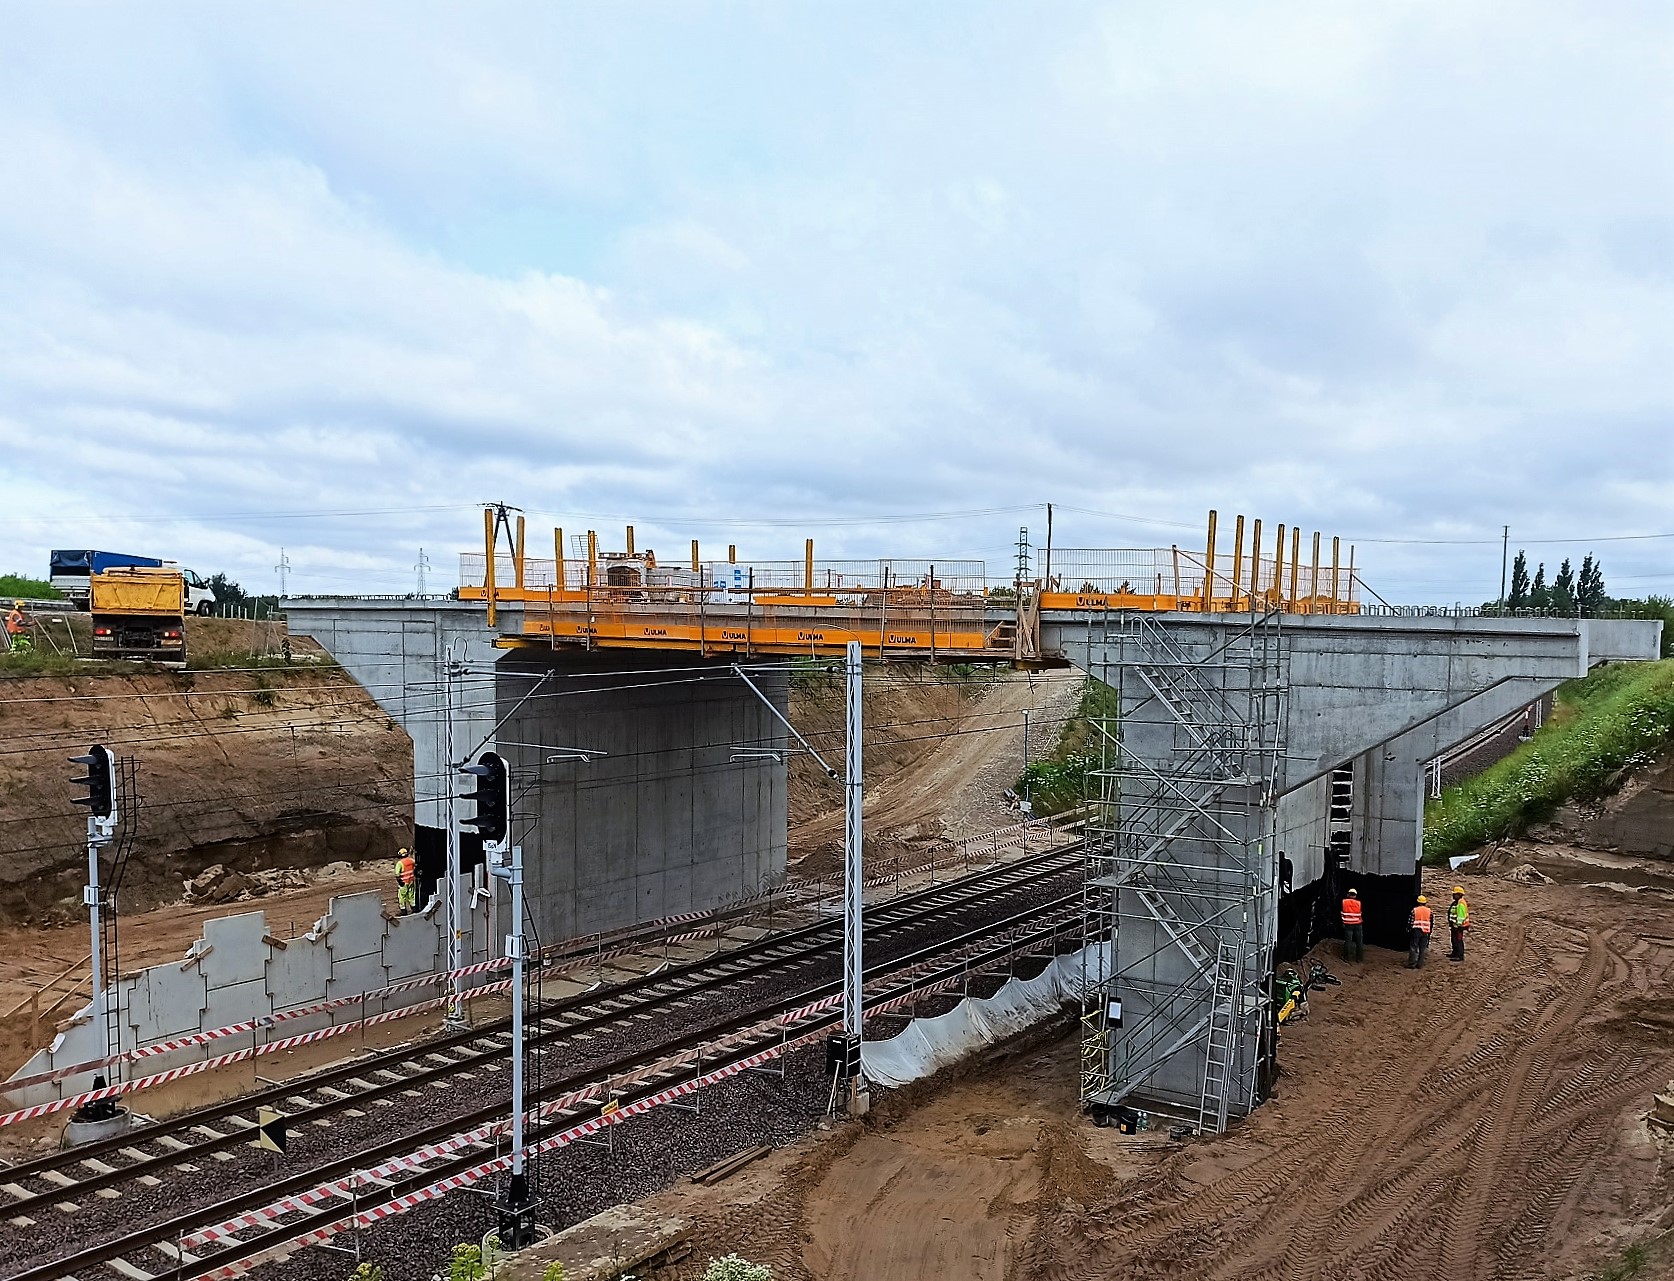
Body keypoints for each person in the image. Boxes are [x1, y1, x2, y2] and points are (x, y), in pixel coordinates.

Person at [1407, 894, 1434, 969]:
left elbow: (1410, 922)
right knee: (1423, 948)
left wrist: (1408, 929)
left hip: (1416, 930)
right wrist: (1430, 930)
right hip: (1426, 931)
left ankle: (1412, 964)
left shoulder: (1414, 910)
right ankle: (1420, 964)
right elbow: (1431, 922)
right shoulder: (1429, 911)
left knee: (1414, 947)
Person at [1341, 887, 1364, 962]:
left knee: (1348, 941)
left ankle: (1347, 958)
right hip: (1358, 924)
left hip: (1348, 925)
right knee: (1359, 941)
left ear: (1348, 894)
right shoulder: (1359, 903)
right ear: (1355, 895)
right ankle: (1359, 958)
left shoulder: (1344, 902)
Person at [1448, 886, 1471, 962]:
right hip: (1455, 925)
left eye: (1454, 894)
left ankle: (1459, 955)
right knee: (1454, 940)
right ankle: (1455, 953)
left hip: (1459, 926)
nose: (1453, 895)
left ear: (1459, 894)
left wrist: (1457, 925)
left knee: (1458, 940)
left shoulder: (1460, 903)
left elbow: (1461, 916)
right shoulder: (1457, 902)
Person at [395, 847, 416, 914]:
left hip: (403, 882)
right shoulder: (411, 861)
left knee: (402, 896)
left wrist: (399, 881)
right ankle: (414, 908)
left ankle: (403, 910)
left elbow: (397, 874)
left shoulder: (400, 863)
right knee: (411, 895)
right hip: (411, 881)